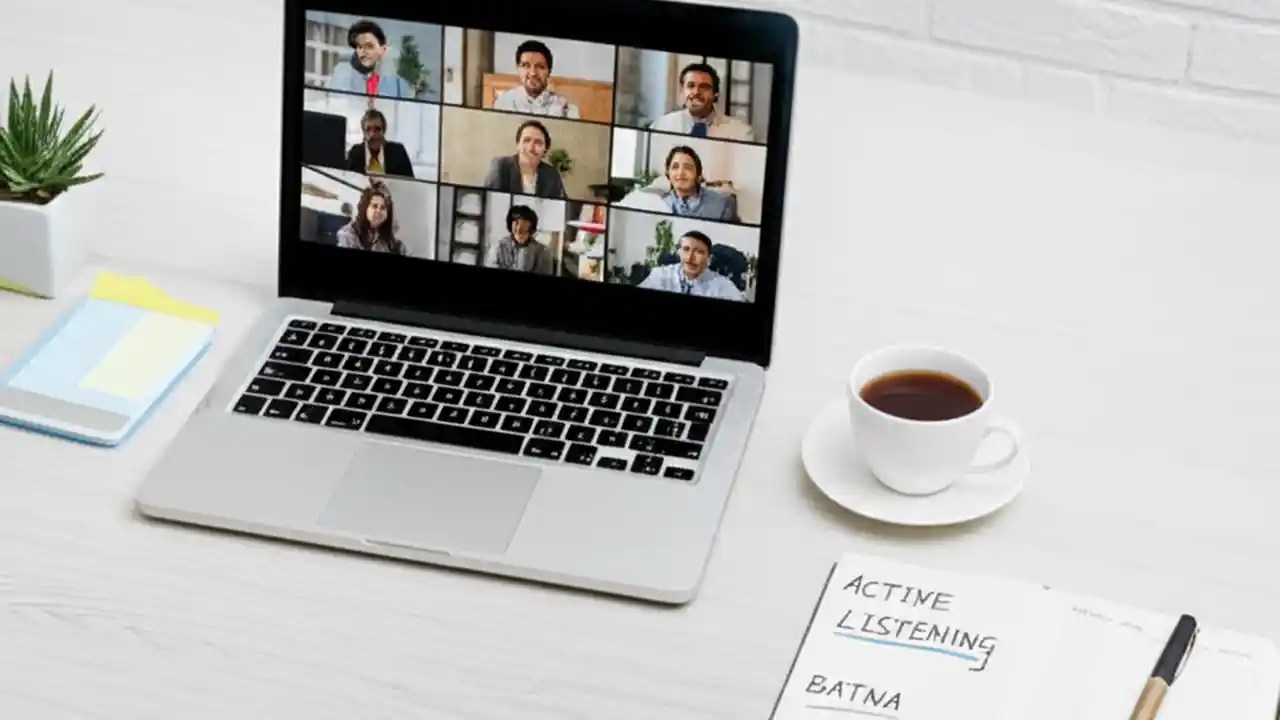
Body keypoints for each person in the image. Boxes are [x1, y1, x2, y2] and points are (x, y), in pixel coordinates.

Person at [650, 62, 754, 142]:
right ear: (682, 91)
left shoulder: (740, 133)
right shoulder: (660, 126)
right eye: (690, 86)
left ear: (715, 94)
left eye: (704, 87)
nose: (696, 92)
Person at [639, 230, 744, 300]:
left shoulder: (723, 286)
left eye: (699, 252)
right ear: (678, 252)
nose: (689, 258)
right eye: (686, 249)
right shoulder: (660, 274)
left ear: (709, 258)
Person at [491, 40, 580, 119]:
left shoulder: (566, 110)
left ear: (549, 72)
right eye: (526, 65)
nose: (533, 73)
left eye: (540, 67)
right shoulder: (503, 102)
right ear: (518, 69)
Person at [328, 20, 414, 101]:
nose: (363, 52)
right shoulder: (343, 75)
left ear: (382, 49)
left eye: (369, 46)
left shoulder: (398, 85)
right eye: (359, 47)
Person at [483, 120, 567, 198]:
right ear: (518, 145)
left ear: (545, 150)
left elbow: (565, 206)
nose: (531, 148)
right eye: (526, 140)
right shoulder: (500, 166)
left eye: (538, 143)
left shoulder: (551, 174)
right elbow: (488, 201)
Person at [661, 145, 738, 222]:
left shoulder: (722, 204)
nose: (680, 172)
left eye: (688, 167)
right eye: (675, 167)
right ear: (668, 174)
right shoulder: (659, 204)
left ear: (698, 176)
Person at [337, 183, 406, 254]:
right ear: (365, 208)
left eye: (383, 208)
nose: (378, 211)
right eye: (374, 206)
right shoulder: (347, 235)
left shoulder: (393, 243)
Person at [485, 205, 555, 274]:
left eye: (524, 229)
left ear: (532, 229)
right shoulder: (499, 246)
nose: (519, 230)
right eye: (516, 224)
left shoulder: (543, 252)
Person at [345, 109, 414, 178]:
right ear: (363, 131)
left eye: (377, 129)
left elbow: (411, 183)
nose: (372, 134)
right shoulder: (355, 153)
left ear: (384, 130)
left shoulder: (398, 152)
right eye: (368, 129)